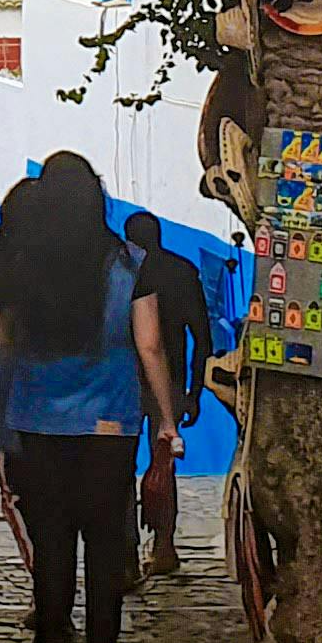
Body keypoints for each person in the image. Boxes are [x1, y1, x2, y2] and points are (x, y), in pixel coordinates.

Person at [0, 150, 176, 643]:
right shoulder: (130, 263)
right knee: (104, 541)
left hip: (37, 417)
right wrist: (164, 417)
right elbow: (149, 344)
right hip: (110, 424)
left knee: (52, 538)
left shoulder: (15, 264)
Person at [122, 209, 213, 580]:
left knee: (121, 468)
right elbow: (202, 337)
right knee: (164, 465)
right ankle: (165, 545)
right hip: (171, 379)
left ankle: (126, 550)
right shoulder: (182, 271)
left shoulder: (124, 274)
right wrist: (195, 392)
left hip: (125, 380)